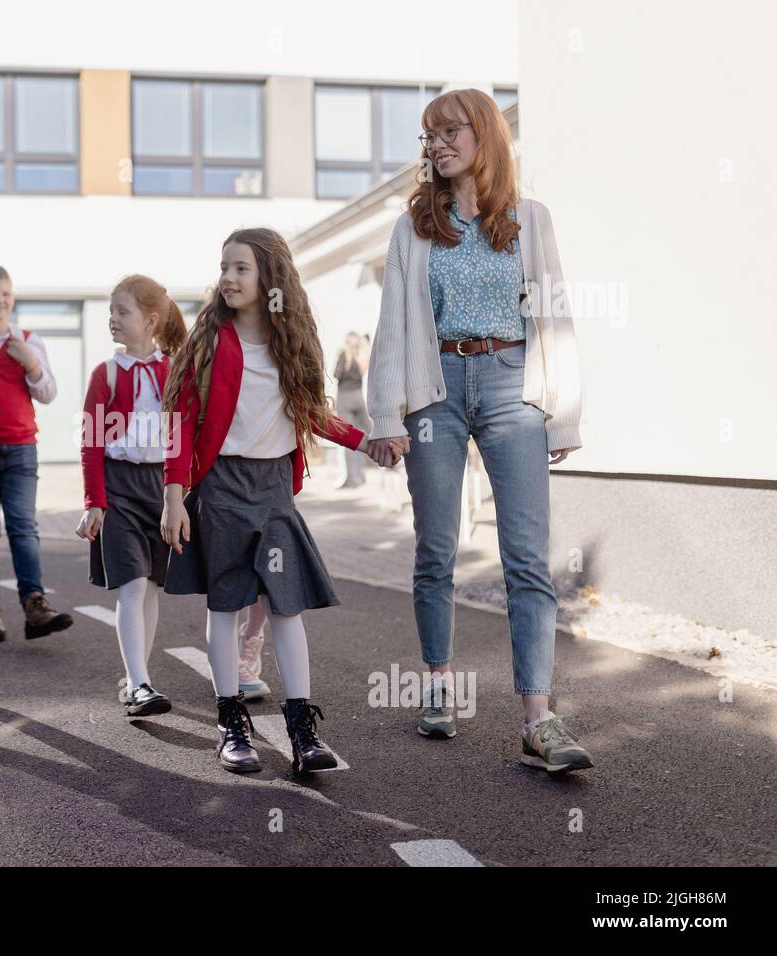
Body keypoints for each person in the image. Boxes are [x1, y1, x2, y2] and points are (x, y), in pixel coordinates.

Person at [365, 88, 592, 773]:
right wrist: (384, 414)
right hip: (435, 389)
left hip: (511, 385)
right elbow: (394, 325)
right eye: (427, 136)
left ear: (483, 136)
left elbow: (553, 314)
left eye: (448, 132)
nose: (434, 145)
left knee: (527, 557)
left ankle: (539, 719)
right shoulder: (413, 228)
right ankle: (437, 687)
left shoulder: (530, 219)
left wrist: (566, 408)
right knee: (437, 547)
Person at [161, 227, 381, 776]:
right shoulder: (209, 342)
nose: (228, 278)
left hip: (275, 492)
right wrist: (173, 496)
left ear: (270, 278)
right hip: (222, 489)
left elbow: (310, 413)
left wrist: (365, 441)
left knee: (287, 609)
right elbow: (181, 422)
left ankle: (302, 731)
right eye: (224, 267)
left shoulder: (291, 341)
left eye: (241, 268)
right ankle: (231, 726)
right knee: (225, 607)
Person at [77, 275, 186, 716]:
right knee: (133, 582)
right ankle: (140, 684)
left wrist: (179, 496)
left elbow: (180, 438)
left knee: (154, 587)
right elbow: (91, 442)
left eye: (123, 312)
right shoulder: (105, 374)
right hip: (118, 486)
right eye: (111, 313)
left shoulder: (174, 371)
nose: (113, 320)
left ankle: (137, 675)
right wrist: (93, 502)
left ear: (151, 320)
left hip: (160, 490)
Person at [0, 264, 74, 641]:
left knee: (24, 528)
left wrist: (31, 364)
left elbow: (49, 394)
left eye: (5, 293)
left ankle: (34, 604)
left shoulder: (29, 341)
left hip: (21, 448)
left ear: (12, 298)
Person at [333, 332, 373, 488]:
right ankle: (389, 458)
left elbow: (337, 374)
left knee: (347, 438)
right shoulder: (361, 357)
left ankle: (353, 477)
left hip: (345, 398)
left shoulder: (344, 355)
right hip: (359, 398)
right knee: (366, 433)